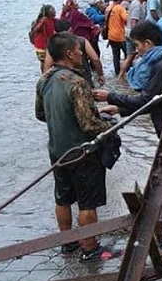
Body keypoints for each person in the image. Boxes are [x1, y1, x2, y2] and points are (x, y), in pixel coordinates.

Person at [93, 22, 162, 261]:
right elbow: (157, 102)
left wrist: (111, 95)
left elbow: (148, 98)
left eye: (137, 46)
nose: (137, 52)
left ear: (148, 43)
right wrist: (120, 109)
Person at [36, 33, 113, 261]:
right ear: (69, 54)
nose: (81, 53)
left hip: (57, 151)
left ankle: (67, 244)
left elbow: (41, 114)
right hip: (82, 152)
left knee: (63, 197)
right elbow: (88, 124)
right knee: (87, 203)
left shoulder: (44, 79)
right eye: (78, 50)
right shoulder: (77, 83)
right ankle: (90, 248)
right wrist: (108, 125)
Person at [105, 0, 128, 76]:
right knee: (128, 55)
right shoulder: (120, 8)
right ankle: (128, 72)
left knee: (116, 56)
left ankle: (117, 73)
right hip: (120, 36)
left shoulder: (108, 8)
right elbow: (126, 20)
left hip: (111, 36)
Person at [30, 4, 57, 72]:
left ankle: (46, 75)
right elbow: (36, 30)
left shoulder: (52, 20)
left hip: (47, 45)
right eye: (52, 10)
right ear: (48, 12)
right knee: (45, 63)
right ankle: (45, 76)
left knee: (48, 63)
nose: (55, 11)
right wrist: (42, 22)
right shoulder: (42, 21)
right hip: (42, 47)